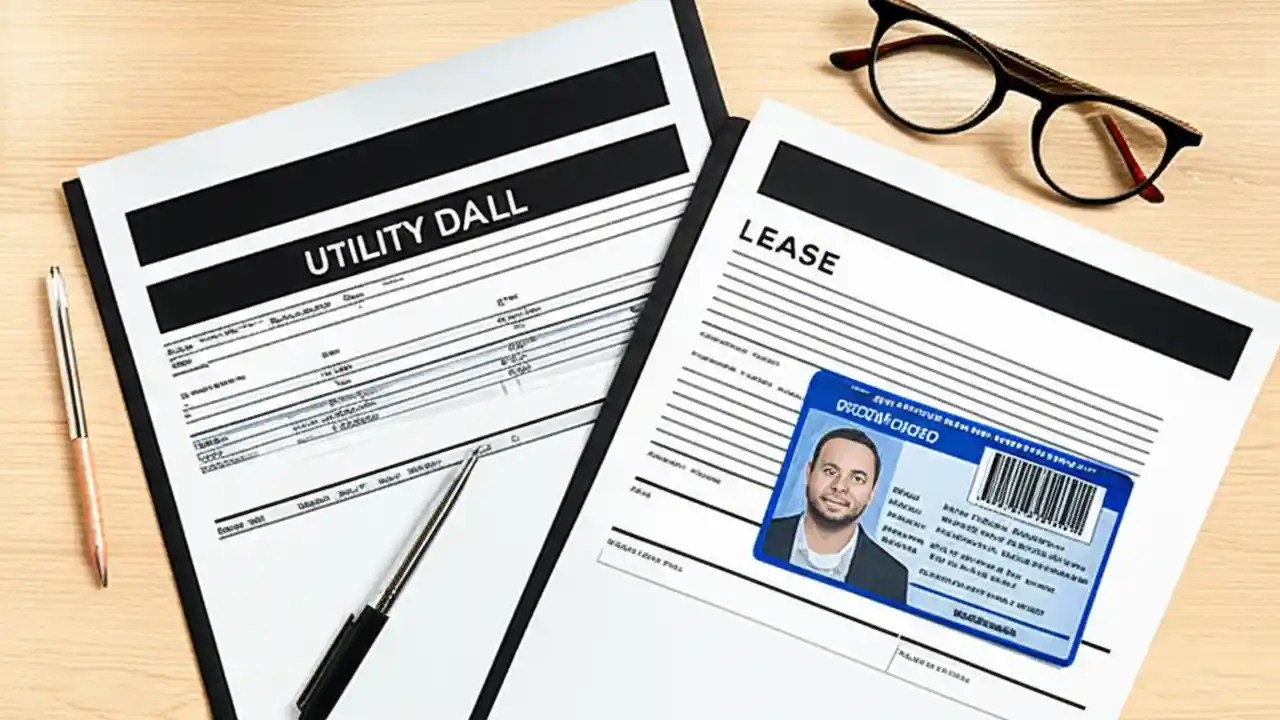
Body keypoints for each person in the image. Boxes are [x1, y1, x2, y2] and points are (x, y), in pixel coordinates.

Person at [760, 427, 908, 603]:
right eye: (830, 471)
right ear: (809, 473)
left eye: (857, 478)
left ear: (872, 492)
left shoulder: (892, 577)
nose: (840, 486)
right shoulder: (762, 534)